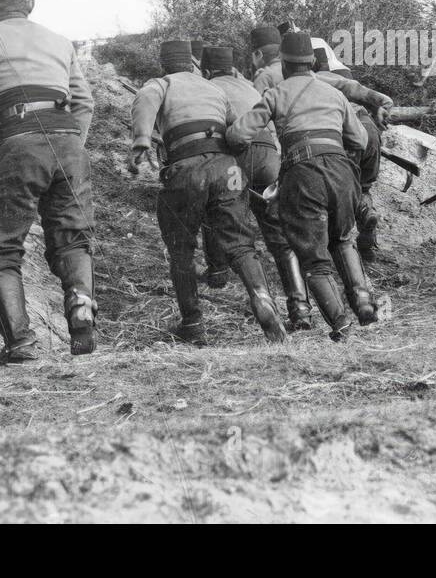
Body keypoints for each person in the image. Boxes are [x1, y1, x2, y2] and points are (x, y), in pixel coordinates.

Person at [0, 0, 97, 362]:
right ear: (30, 3)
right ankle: (82, 309)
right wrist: (70, 142)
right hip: (68, 143)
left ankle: (19, 343)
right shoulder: (59, 42)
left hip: (16, 141)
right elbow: (84, 102)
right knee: (72, 235)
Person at [129, 40, 286, 344]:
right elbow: (236, 129)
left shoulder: (161, 83)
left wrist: (141, 141)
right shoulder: (214, 89)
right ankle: (263, 299)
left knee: (181, 250)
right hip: (226, 166)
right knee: (241, 244)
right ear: (192, 64)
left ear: (165, 65)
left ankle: (192, 323)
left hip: (186, 168)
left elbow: (146, 98)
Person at [227, 32, 371, 338]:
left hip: (303, 172)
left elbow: (238, 134)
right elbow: (360, 139)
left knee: (312, 253)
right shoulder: (334, 94)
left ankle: (339, 321)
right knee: (343, 238)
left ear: (286, 66)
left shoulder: (276, 93)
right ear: (313, 63)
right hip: (342, 169)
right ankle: (363, 302)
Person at [201, 44, 311, 331]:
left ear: (206, 70)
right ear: (233, 67)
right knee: (280, 236)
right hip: (267, 154)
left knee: (224, 216)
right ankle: (300, 308)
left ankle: (221, 274)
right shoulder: (250, 86)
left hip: (235, 155)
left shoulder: (207, 88)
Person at [312, 47, 393, 263]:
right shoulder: (347, 84)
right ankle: (367, 226)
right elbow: (362, 91)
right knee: (363, 186)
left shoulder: (315, 80)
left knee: (337, 191)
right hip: (369, 134)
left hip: (347, 133)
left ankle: (339, 249)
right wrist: (382, 104)